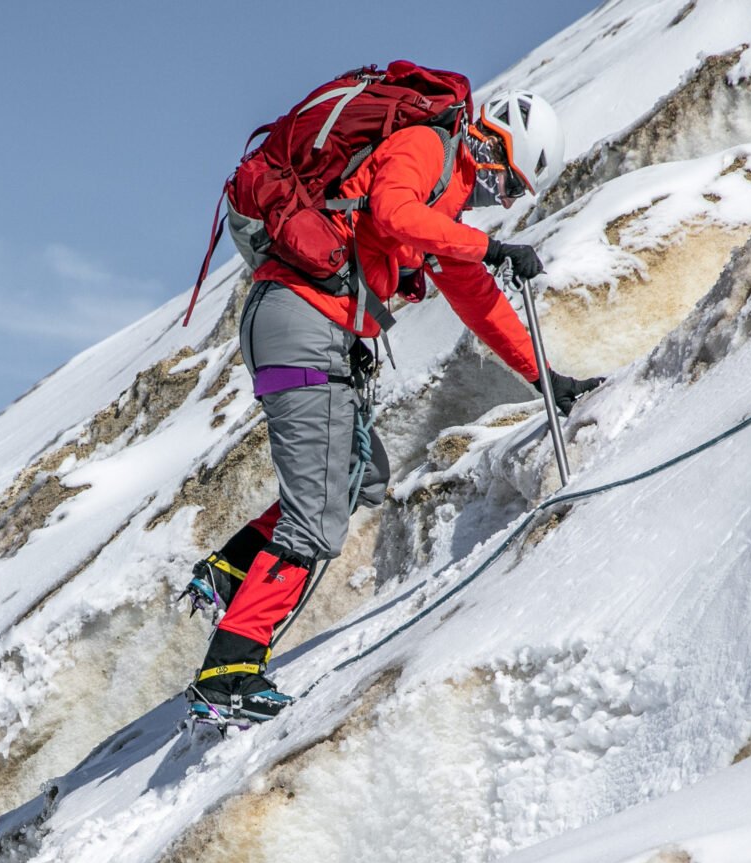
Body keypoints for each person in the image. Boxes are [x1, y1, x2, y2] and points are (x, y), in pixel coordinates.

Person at [184, 90, 603, 723]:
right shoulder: (426, 147)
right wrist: (486, 246)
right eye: (507, 184)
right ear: (494, 148)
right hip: (303, 324)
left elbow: (476, 299)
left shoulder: (446, 200)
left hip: (307, 328)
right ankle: (227, 676)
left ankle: (228, 571)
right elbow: (393, 211)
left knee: (360, 477)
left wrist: (544, 377)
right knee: (316, 518)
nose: (501, 201)